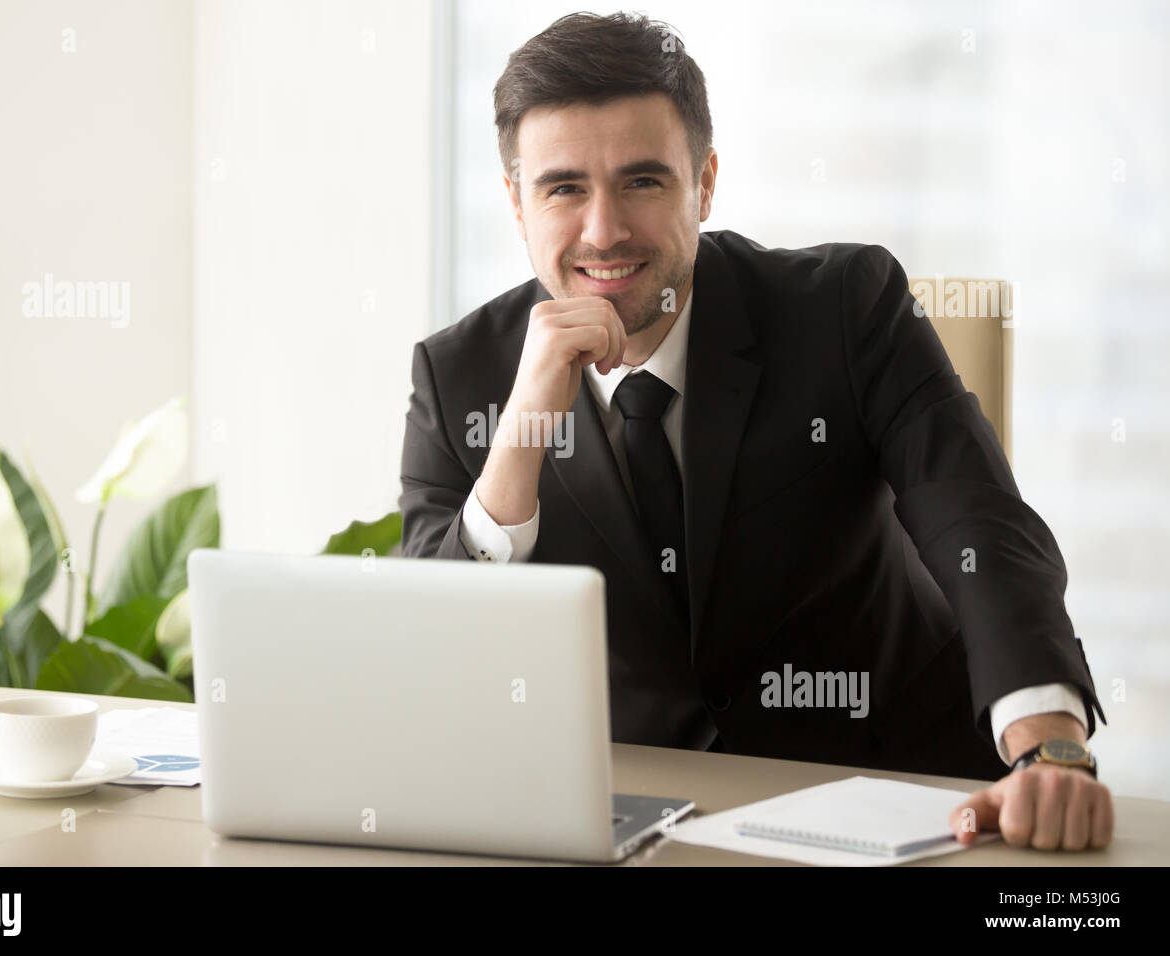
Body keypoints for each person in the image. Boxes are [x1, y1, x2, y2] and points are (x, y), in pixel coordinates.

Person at [399, 11, 1112, 851]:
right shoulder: (459, 378)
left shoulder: (846, 306)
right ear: (516, 202)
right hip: (638, 825)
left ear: (704, 181)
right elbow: (431, 658)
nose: (603, 231)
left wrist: (1048, 747)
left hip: (903, 795)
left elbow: (977, 523)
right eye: (564, 188)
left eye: (642, 181)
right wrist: (516, 447)